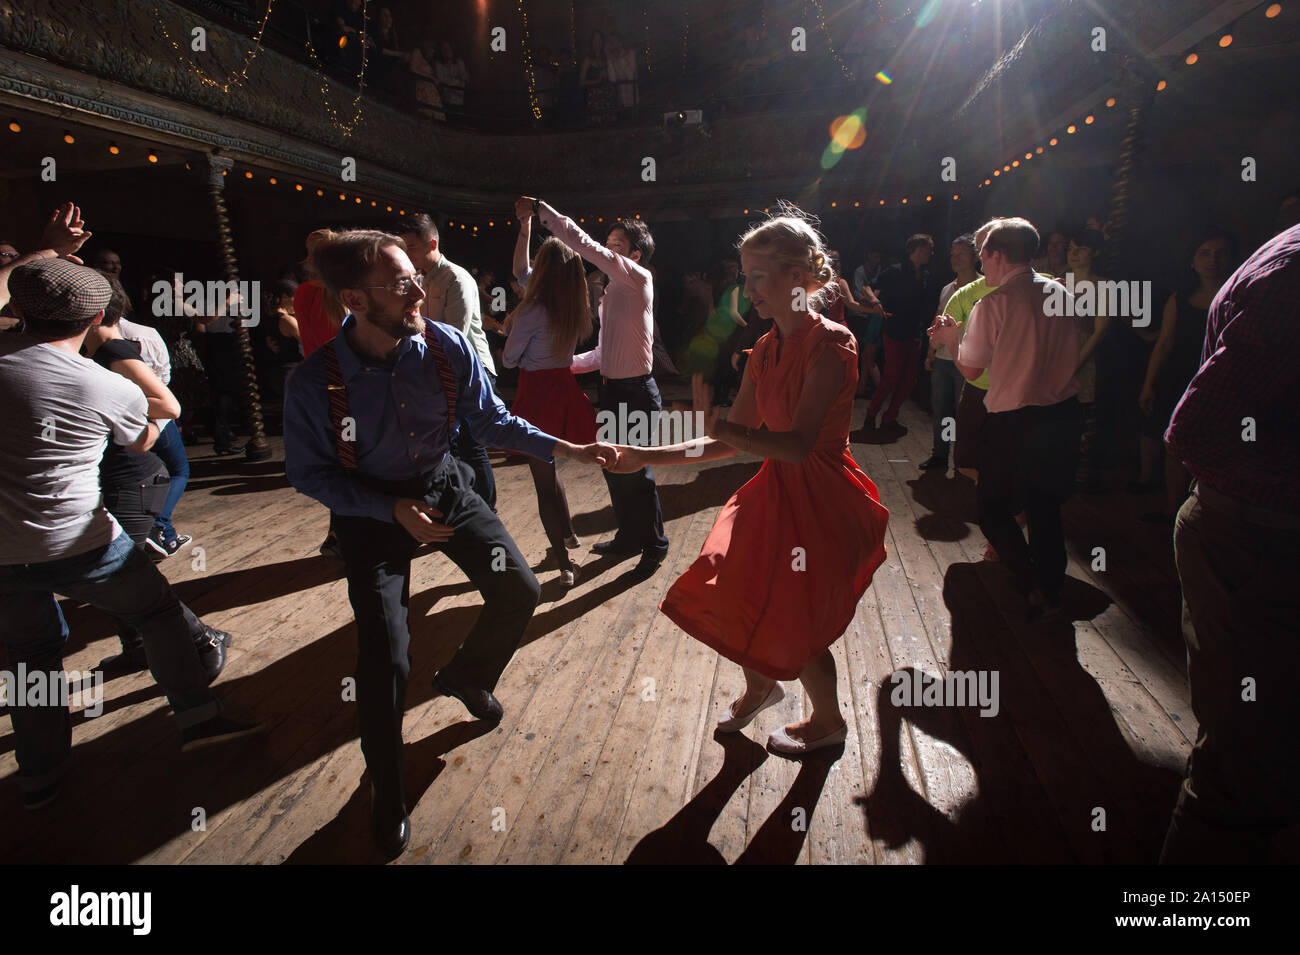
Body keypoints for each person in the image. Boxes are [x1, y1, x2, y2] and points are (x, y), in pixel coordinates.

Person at [282, 229, 615, 856]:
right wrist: (388, 507)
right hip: (371, 510)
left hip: (443, 487)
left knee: (518, 589)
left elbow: (491, 420)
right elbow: (309, 473)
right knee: (387, 656)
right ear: (354, 298)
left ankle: (466, 677)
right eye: (402, 282)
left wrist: (570, 449)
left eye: (417, 277)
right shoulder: (313, 383)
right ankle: (386, 782)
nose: (419, 290)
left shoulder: (447, 346)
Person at [610, 209, 889, 755]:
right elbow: (727, 441)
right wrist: (641, 455)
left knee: (795, 615)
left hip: (822, 495)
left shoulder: (832, 345)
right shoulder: (765, 348)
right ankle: (762, 687)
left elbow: (797, 444)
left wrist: (730, 429)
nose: (747, 288)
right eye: (745, 275)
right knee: (739, 591)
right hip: (775, 492)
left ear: (799, 276)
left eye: (758, 276)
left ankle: (829, 723)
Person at [1, 250, 262, 810]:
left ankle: (39, 774)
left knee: (30, 655)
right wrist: (115, 352)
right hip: (79, 541)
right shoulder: (101, 385)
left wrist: (38, 252)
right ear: (96, 320)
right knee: (157, 614)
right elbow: (150, 431)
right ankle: (196, 717)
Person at [1160, 224, 1300, 864]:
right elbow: (1202, 429)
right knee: (1246, 763)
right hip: (1259, 543)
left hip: (1259, 533)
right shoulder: (1292, 280)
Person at [929, 217, 1088, 619]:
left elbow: (969, 369)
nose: (980, 262)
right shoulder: (1061, 293)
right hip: (1064, 415)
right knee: (1045, 507)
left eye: (982, 254)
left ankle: (1029, 579)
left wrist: (950, 338)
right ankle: (1050, 591)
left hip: (1016, 420)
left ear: (996, 255)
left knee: (994, 509)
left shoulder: (994, 303)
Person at [82, 275, 230, 679]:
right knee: (118, 574)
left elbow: (168, 405)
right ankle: (136, 647)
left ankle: (202, 639)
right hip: (118, 473)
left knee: (127, 575)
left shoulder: (113, 350)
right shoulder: (96, 350)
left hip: (135, 475)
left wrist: (135, 431)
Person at [519, 196, 670, 579]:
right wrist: (561, 365)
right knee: (613, 466)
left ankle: (654, 545)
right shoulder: (612, 294)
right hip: (615, 391)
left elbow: (584, 244)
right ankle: (628, 537)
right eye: (609, 244)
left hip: (636, 392)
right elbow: (603, 353)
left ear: (635, 254)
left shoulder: (637, 279)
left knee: (637, 473)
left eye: (616, 246)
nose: (606, 251)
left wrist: (542, 211)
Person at [506, 211, 598, 587]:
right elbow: (520, 273)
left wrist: (511, 324)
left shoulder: (531, 308)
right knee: (551, 468)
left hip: (537, 395)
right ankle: (570, 533)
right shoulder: (574, 302)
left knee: (542, 480)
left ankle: (562, 563)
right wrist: (526, 227)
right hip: (564, 391)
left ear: (542, 269)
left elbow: (510, 359)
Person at [398, 214, 499, 511]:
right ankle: (463, 505)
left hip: (470, 370)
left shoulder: (456, 278)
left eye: (411, 246)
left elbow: (457, 334)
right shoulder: (420, 279)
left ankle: (487, 509)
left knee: (472, 443)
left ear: (432, 243)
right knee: (450, 446)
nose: (406, 253)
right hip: (438, 369)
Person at [1138, 228, 1234, 522]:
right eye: (1204, 253)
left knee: (1209, 445)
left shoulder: (1237, 296)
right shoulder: (1180, 298)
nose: (1212, 260)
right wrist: (1148, 384)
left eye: (1219, 254)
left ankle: (1205, 514)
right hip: (1178, 376)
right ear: (1192, 260)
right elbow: (1164, 343)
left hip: (1217, 380)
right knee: (1173, 443)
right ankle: (1171, 509)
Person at [864, 233, 938, 433]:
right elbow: (868, 287)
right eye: (928, 249)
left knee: (908, 381)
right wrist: (876, 302)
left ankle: (890, 417)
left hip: (914, 333)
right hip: (894, 331)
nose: (931, 253)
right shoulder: (894, 271)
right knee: (891, 377)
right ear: (918, 250)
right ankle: (871, 415)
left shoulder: (925, 275)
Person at [921, 234, 980, 470]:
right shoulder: (948, 288)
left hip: (969, 361)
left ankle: (964, 460)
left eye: (961, 253)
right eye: (952, 254)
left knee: (965, 415)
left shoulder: (984, 287)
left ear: (976, 256)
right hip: (944, 359)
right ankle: (941, 454)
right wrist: (930, 352)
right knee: (943, 412)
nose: (955, 258)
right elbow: (937, 321)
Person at [1065, 228, 1112, 491]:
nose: (1073, 253)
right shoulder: (1060, 282)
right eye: (1070, 248)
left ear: (1094, 253)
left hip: (1087, 362)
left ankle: (1082, 481)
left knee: (1085, 425)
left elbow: (1099, 332)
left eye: (1080, 249)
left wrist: (1076, 365)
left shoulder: (1104, 286)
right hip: (1059, 357)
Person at [435, 40, 468, 113]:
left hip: (458, 101)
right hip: (445, 101)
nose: (447, 51)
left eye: (448, 48)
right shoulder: (439, 65)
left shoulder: (459, 63)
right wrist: (457, 79)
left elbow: (463, 79)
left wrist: (450, 82)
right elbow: (442, 81)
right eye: (444, 49)